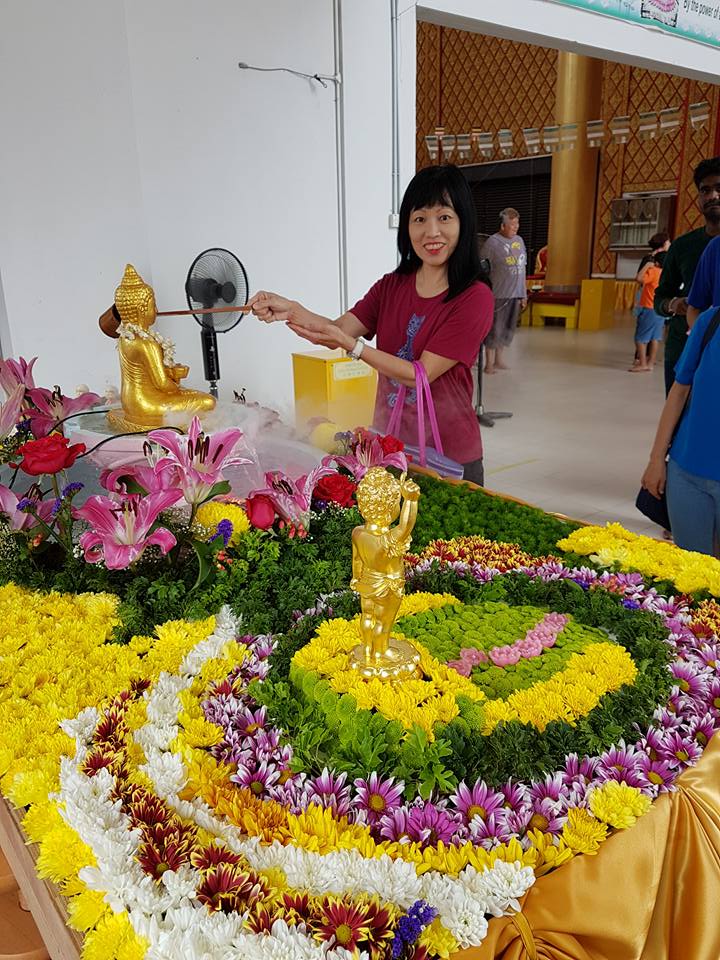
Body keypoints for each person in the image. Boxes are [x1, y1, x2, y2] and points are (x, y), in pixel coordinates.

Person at [248, 164, 493, 486]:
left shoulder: (474, 296)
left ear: (463, 222)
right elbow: (337, 331)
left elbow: (418, 374)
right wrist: (291, 310)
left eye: (444, 217)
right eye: (419, 219)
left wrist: (353, 346)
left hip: (449, 455)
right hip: (389, 446)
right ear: (406, 226)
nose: (431, 232)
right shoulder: (391, 286)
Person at [641, 306, 720, 555]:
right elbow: (678, 392)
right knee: (689, 578)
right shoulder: (711, 321)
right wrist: (656, 460)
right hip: (687, 476)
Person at [654, 156, 720, 394]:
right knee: (679, 421)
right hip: (684, 346)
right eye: (706, 190)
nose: (712, 195)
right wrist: (674, 304)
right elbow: (659, 298)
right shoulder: (683, 246)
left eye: (719, 188)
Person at [479, 208, 527, 374]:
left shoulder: (519, 241)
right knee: (494, 329)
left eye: (517, 224)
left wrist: (523, 293)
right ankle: (488, 364)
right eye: (512, 224)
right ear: (502, 225)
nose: (515, 227)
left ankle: (499, 360)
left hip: (515, 294)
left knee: (507, 328)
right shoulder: (492, 242)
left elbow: (522, 268)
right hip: (498, 294)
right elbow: (482, 267)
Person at [630, 237, 668, 372]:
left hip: (649, 307)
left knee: (640, 338)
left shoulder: (654, 271)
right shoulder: (666, 274)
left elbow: (639, 278)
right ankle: (650, 363)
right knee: (655, 338)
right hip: (659, 309)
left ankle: (642, 363)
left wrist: (647, 265)